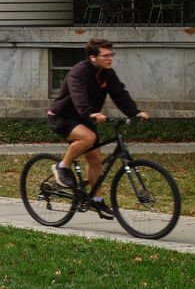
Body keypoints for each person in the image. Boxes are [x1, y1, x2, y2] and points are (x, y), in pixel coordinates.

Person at [47, 39, 148, 213]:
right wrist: (89, 112)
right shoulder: (78, 72)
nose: (110, 58)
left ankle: (97, 200)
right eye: (106, 55)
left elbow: (120, 94)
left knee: (95, 160)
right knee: (88, 138)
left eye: (111, 55)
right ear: (93, 58)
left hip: (86, 119)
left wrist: (134, 113)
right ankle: (61, 166)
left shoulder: (107, 73)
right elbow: (78, 95)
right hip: (63, 116)